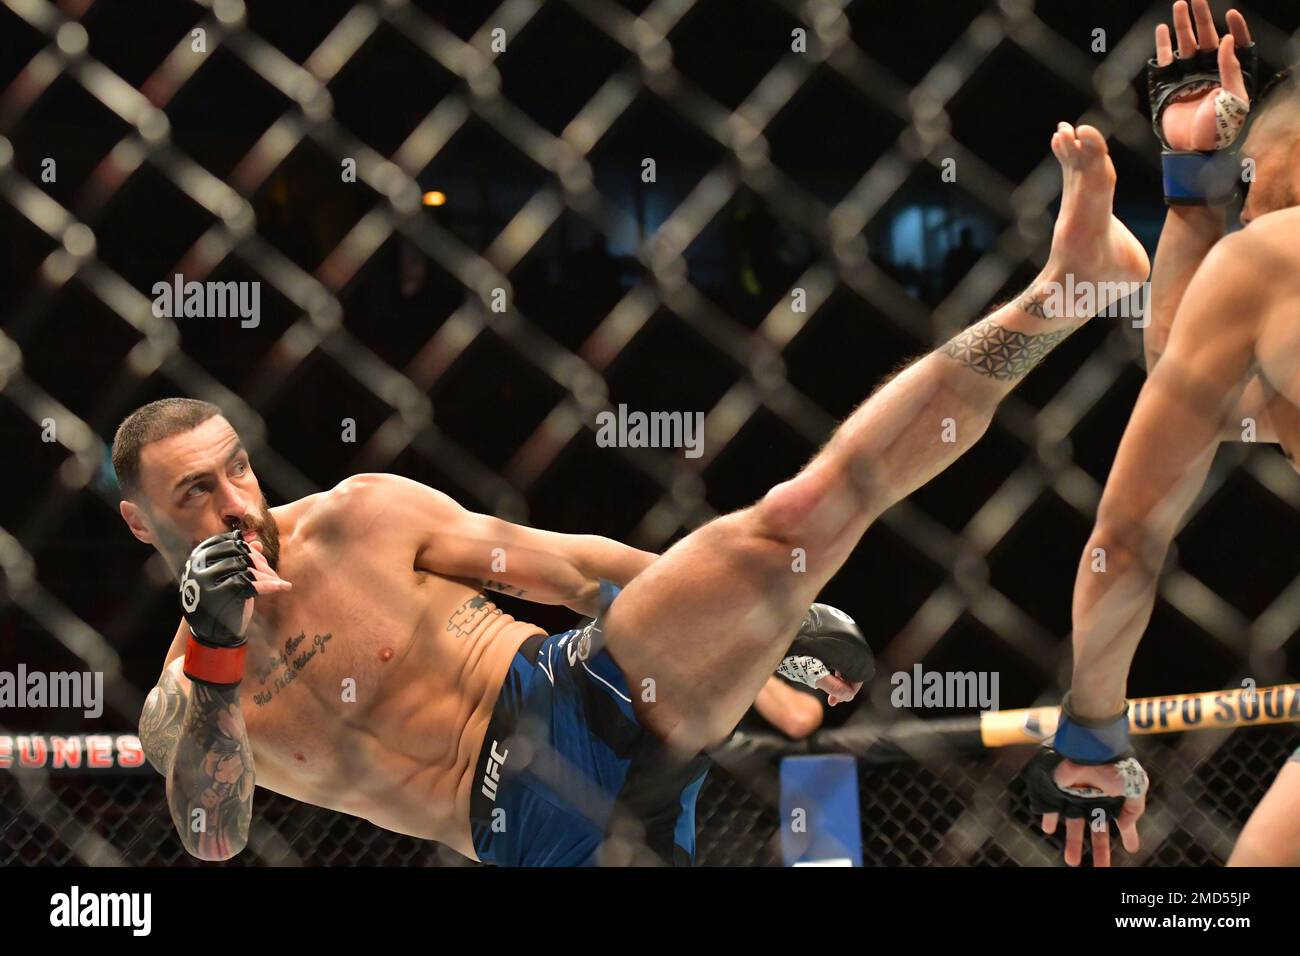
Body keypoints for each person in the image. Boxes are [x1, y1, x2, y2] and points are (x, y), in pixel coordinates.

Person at [125, 120, 1147, 866]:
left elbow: (580, 570)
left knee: (796, 515)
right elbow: (213, 834)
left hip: (575, 689)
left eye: (237, 467)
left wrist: (758, 632)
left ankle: (1060, 295)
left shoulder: (357, 518)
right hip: (529, 834)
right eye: (192, 491)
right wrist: (216, 651)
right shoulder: (181, 693)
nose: (232, 501)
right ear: (142, 521)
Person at [1021, 1, 1300, 867]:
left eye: (1246, 181)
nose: (1243, 203)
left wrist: (1094, 730)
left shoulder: (1272, 255)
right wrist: (1192, 185)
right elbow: (1199, 388)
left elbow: (1130, 535)